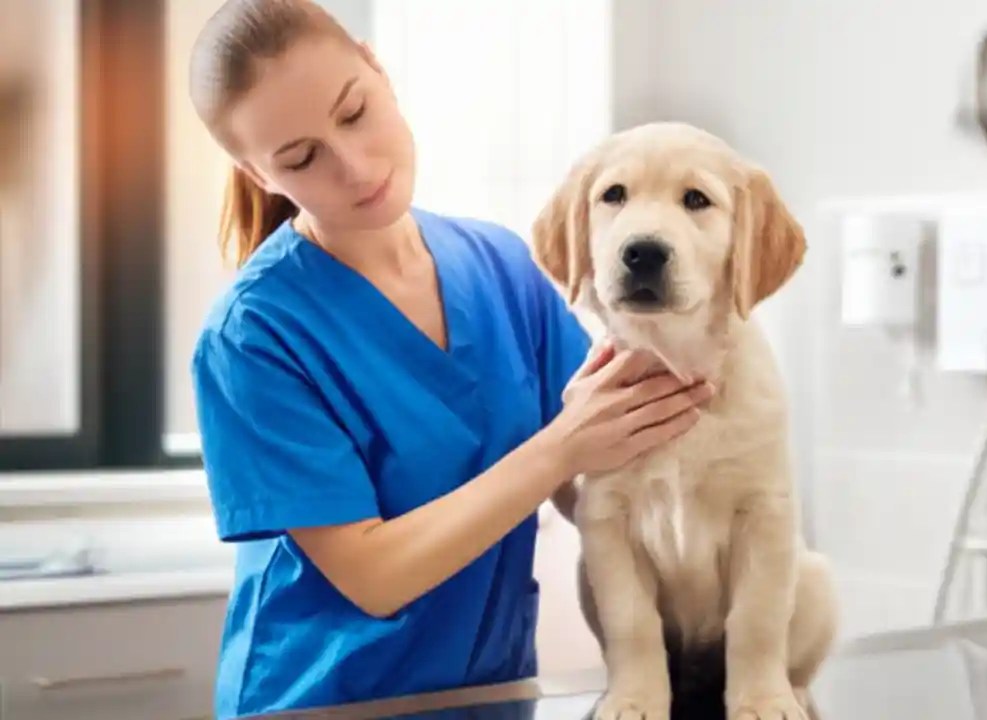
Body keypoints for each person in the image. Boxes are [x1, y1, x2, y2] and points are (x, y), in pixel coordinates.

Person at [186, 1, 714, 717]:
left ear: (378, 70)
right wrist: (563, 447)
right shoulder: (253, 336)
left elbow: (597, 474)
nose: (355, 164)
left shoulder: (501, 266)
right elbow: (373, 574)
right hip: (324, 702)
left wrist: (715, 580)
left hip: (490, 695)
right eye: (302, 158)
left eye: (354, 112)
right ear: (257, 174)